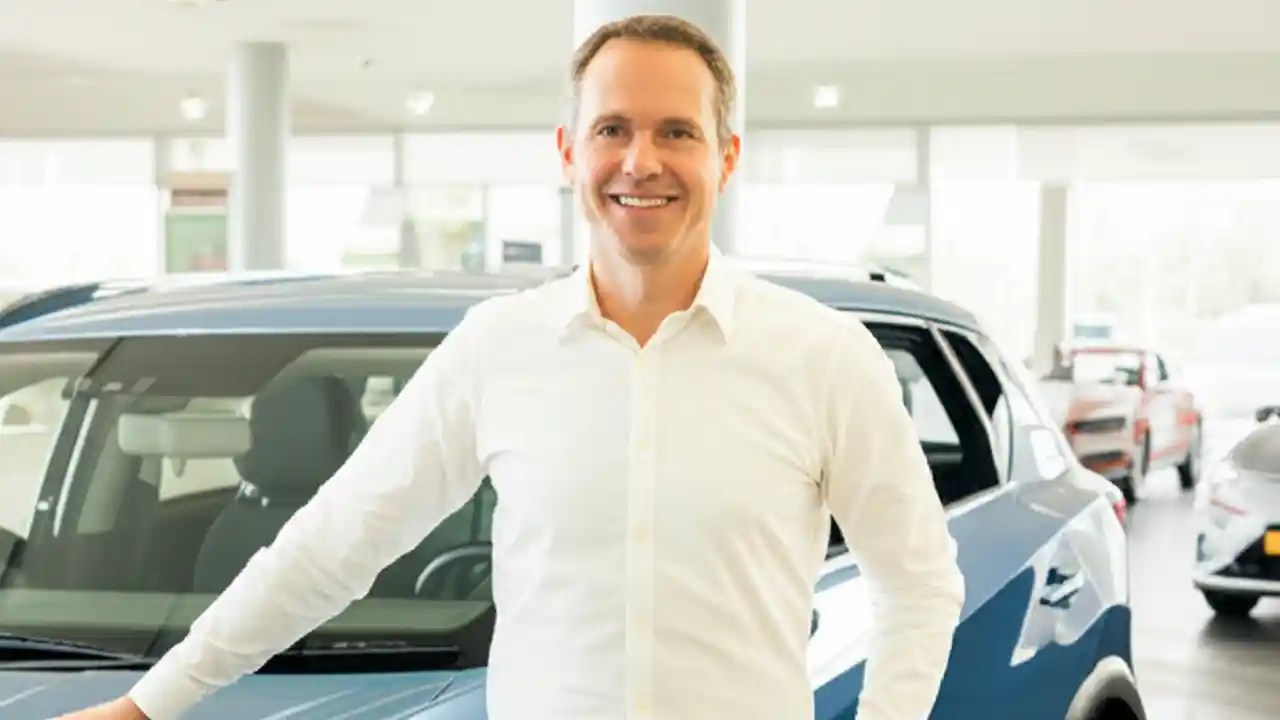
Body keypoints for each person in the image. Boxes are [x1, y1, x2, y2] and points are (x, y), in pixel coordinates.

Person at [62, 13, 964, 720]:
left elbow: (918, 586)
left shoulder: (823, 357)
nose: (641, 162)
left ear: (725, 157)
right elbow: (332, 546)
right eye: (612, 128)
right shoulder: (498, 351)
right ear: (570, 152)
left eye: (676, 133)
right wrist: (152, 703)